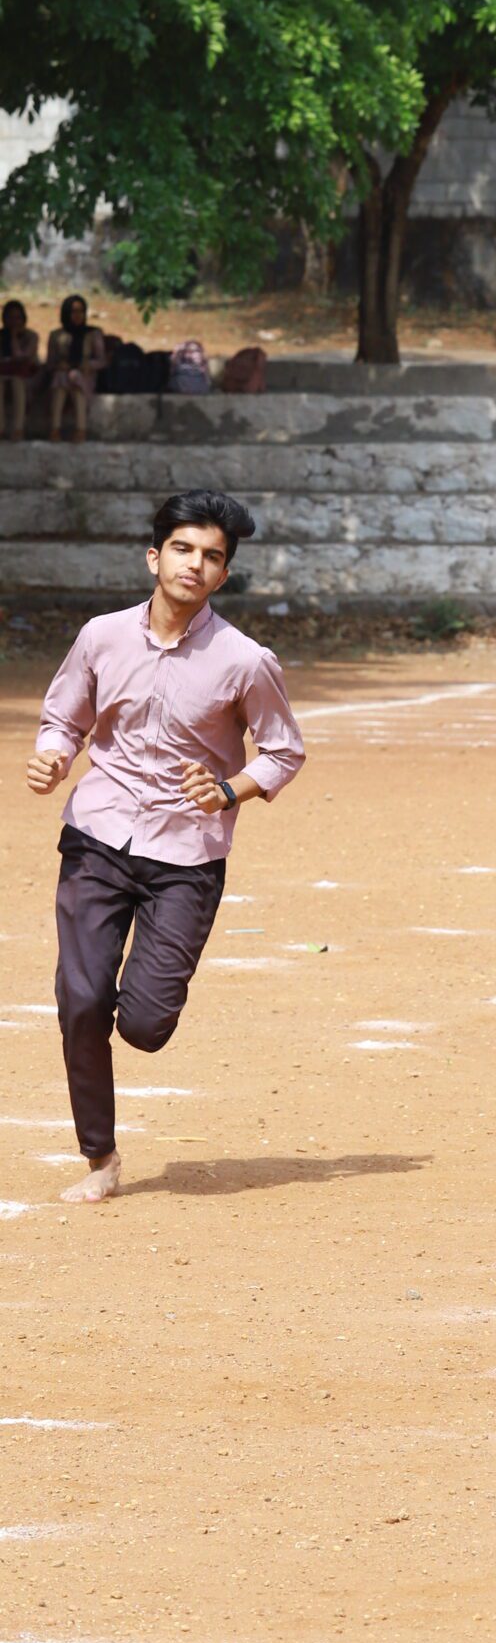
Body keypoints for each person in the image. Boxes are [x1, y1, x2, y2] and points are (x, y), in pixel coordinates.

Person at [25, 491, 304, 1204]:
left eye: (212, 556)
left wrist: (228, 790)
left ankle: (139, 1007)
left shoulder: (246, 660)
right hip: (97, 835)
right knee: (81, 998)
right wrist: (54, 755)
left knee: (145, 1026)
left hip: (186, 856)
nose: (194, 564)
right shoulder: (101, 637)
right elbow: (65, 718)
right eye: (182, 549)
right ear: (154, 557)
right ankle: (101, 1157)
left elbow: (282, 751)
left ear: (223, 575)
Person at [46, 294, 106, 444]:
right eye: (73, 311)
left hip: (85, 376)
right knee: (62, 377)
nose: (77, 315)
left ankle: (81, 429)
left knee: (75, 377)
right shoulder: (56, 335)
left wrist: (86, 365)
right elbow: (49, 363)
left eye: (81, 311)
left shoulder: (93, 333)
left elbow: (102, 361)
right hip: (62, 376)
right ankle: (55, 428)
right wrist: (59, 365)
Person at [0, 299, 40, 440]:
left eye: (17, 318)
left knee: (17, 382)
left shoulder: (31, 336)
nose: (14, 321)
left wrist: (13, 338)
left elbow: (23, 358)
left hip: (27, 377)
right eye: (10, 317)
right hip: (5, 375)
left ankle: (18, 428)